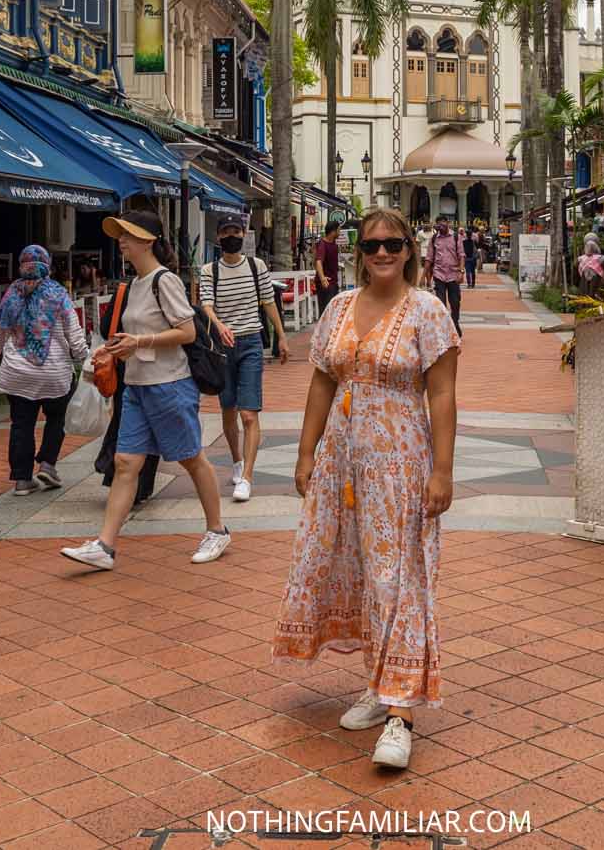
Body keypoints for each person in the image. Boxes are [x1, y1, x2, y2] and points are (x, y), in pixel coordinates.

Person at [274, 206, 458, 772]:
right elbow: (321, 382)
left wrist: (442, 470)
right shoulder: (338, 307)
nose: (381, 253)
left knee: (399, 575)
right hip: (342, 461)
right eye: (371, 244)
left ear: (409, 251)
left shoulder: (427, 311)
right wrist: (306, 452)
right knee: (356, 569)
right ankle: (379, 686)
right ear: (359, 251)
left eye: (392, 244)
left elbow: (442, 395)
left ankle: (402, 713)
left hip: (400, 461)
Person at [61, 211, 231, 571]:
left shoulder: (164, 281)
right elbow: (136, 335)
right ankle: (105, 546)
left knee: (190, 458)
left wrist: (139, 341)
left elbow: (187, 332)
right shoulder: (134, 284)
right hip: (136, 386)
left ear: (149, 240)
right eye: (120, 234)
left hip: (169, 385)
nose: (121, 240)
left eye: (129, 234)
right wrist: (115, 349)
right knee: (125, 463)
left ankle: (217, 530)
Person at [200, 216, 289, 503]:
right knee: (228, 410)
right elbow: (206, 305)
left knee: (248, 414)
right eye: (226, 232)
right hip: (223, 346)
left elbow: (268, 301)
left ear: (244, 234)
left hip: (251, 343)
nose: (232, 236)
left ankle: (247, 478)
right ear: (218, 236)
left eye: (236, 231)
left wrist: (281, 336)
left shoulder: (256, 266)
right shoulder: (209, 271)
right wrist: (218, 325)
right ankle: (237, 461)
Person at [0, 245, 90, 493]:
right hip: (54, 372)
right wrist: (85, 358)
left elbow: (0, 332)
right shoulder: (58, 294)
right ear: (47, 266)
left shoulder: (11, 294)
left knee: (21, 423)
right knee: (57, 417)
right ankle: (47, 464)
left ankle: (22, 480)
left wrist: (4, 353)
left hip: (17, 372)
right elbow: (74, 334)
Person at [426, 218, 463, 334]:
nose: (440, 226)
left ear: (448, 223)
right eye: (438, 224)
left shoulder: (456, 237)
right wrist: (425, 278)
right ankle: (445, 328)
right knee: (441, 305)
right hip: (439, 275)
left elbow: (461, 255)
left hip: (453, 275)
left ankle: (455, 323)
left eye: (443, 223)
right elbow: (429, 258)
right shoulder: (434, 239)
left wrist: (461, 272)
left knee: (455, 303)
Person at [313, 219, 343, 314]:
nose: (340, 232)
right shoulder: (323, 244)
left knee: (333, 312)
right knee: (326, 313)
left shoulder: (333, 244)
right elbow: (318, 261)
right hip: (326, 283)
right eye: (338, 230)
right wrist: (322, 278)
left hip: (333, 282)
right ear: (333, 231)